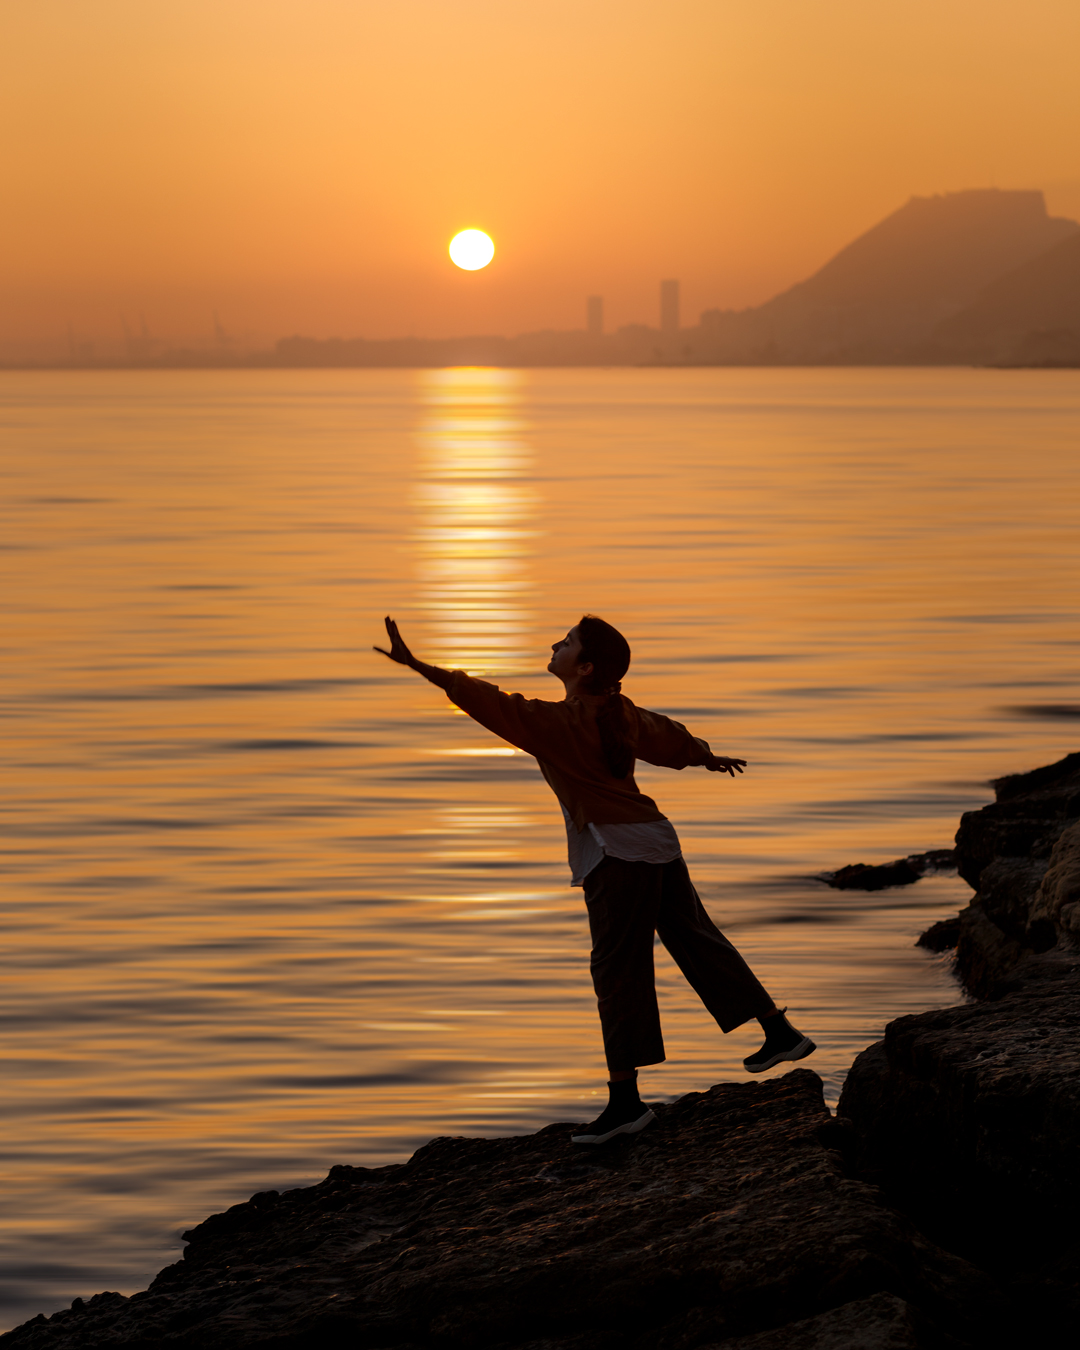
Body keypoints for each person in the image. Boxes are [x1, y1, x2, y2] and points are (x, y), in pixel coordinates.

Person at [374, 614, 815, 1145]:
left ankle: (626, 1103)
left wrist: (418, 665)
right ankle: (779, 1032)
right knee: (698, 940)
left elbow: (487, 701)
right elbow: (666, 735)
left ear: (583, 668)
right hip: (656, 839)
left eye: (566, 642)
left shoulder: (556, 724)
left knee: (617, 970)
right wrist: (705, 756)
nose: (554, 644)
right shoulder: (617, 713)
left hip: (616, 851)